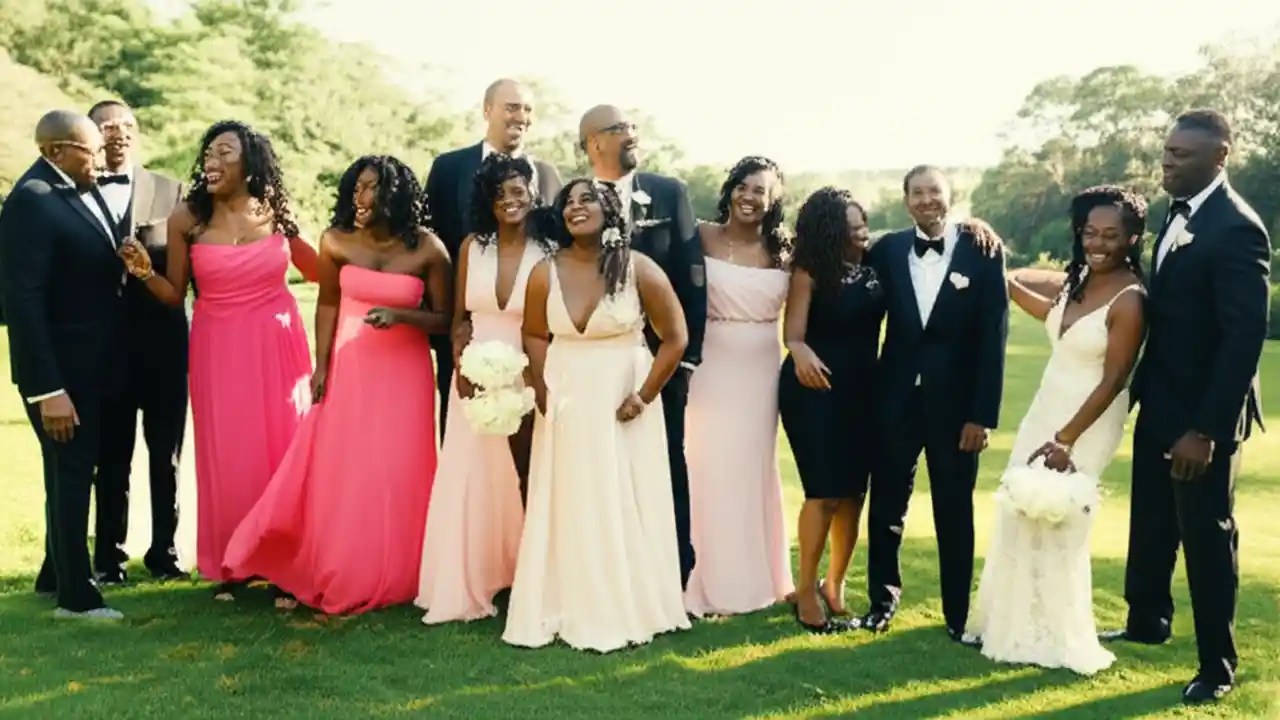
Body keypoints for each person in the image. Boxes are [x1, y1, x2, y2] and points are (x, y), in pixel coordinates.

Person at [223, 155, 450, 614]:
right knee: (345, 468)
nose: (361, 199)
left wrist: (403, 316)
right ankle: (340, 561)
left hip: (405, 373)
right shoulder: (336, 241)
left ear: (398, 195)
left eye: (372, 189)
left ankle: (403, 568)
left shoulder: (428, 249)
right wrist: (322, 366)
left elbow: (445, 320)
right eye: (356, 188)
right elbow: (326, 304)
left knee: (399, 469)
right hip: (351, 367)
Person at [1107, 110, 1271, 704]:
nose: (1168, 162)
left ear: (1220, 156)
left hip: (1202, 418)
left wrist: (1206, 429)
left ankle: (1217, 667)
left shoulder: (1237, 229)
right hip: (1161, 404)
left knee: (1206, 536)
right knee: (1150, 522)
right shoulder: (1176, 218)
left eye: (1182, 155)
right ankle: (1146, 620)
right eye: (1167, 151)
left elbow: (1242, 339)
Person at [119, 120, 319, 601]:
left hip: (277, 345)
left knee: (282, 450)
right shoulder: (187, 218)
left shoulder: (276, 213)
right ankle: (234, 563)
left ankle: (287, 563)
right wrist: (145, 272)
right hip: (217, 346)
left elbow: (321, 272)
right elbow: (173, 295)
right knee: (228, 455)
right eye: (208, 153)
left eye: (224, 152)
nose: (211, 161)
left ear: (250, 162)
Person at [503, 179, 691, 652]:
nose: (576, 207)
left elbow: (675, 337)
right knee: (570, 497)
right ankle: (565, 602)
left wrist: (645, 396)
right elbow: (534, 334)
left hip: (622, 400)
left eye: (587, 198)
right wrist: (543, 386)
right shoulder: (545, 271)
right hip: (566, 399)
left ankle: (627, 604)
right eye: (568, 202)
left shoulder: (638, 269)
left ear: (610, 209)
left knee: (622, 494)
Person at [966, 185, 1147, 674]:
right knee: (1020, 510)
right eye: (1090, 232)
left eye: (1111, 235)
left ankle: (1055, 633)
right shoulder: (1082, 280)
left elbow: (1114, 378)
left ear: (1131, 238)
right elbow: (1053, 316)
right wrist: (1003, 278)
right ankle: (1009, 624)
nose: (1098, 242)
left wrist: (1066, 438)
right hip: (1045, 408)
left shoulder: (1131, 299)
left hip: (1085, 421)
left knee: (1060, 518)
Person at [861, 165, 1009, 641]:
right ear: (906, 200)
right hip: (894, 402)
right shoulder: (885, 250)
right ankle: (881, 603)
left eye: (935, 192)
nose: (927, 200)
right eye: (918, 192)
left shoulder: (983, 251)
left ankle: (957, 614)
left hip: (957, 410)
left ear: (951, 196)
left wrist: (982, 415)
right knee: (885, 506)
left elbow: (994, 337)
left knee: (954, 509)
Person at [415, 153, 553, 624]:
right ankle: (473, 574)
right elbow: (460, 320)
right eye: (500, 194)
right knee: (473, 475)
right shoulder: (473, 246)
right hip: (474, 373)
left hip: (529, 369)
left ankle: (531, 575)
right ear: (487, 202)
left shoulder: (549, 249)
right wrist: (460, 359)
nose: (510, 201)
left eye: (518, 191)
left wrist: (538, 377)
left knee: (527, 473)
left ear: (533, 195)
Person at [0, 110, 123, 619]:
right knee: (70, 476)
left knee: (72, 471)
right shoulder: (31, 202)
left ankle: (56, 574)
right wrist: (47, 388)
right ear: (55, 152)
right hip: (60, 374)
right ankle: (77, 598)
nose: (99, 159)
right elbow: (22, 302)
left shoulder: (72, 191)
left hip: (92, 365)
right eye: (89, 151)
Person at [579, 104, 706, 588]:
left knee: (667, 460)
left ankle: (674, 570)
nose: (631, 136)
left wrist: (688, 358)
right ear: (594, 143)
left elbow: (693, 272)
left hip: (662, 358)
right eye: (619, 130)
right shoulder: (574, 202)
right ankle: (606, 572)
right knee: (601, 465)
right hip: (595, 361)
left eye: (634, 128)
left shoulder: (668, 193)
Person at [682, 156, 793, 618]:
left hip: (760, 371)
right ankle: (694, 575)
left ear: (773, 203)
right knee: (702, 465)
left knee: (750, 470)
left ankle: (750, 579)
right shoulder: (700, 236)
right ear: (730, 190)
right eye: (743, 188)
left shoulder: (784, 252)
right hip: (709, 364)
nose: (750, 198)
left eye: (761, 192)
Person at [423, 78, 563, 439]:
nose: (521, 116)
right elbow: (429, 239)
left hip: (531, 332)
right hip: (466, 325)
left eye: (528, 109)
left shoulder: (547, 176)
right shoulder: (449, 168)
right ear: (487, 110)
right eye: (512, 107)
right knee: (464, 428)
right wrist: (453, 330)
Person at [86, 99, 189, 584]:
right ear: (91, 134)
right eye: (108, 126)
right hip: (104, 349)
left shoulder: (173, 192)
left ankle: (165, 553)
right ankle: (108, 557)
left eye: (128, 125)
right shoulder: (75, 194)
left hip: (164, 347)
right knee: (111, 459)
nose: (119, 133)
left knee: (165, 456)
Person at [779, 187, 885, 633]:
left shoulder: (876, 265)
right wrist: (799, 352)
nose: (861, 234)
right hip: (814, 388)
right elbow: (794, 333)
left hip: (864, 391)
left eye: (863, 225)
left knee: (853, 495)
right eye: (851, 228)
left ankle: (834, 584)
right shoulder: (810, 271)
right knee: (822, 493)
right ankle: (804, 587)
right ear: (829, 232)